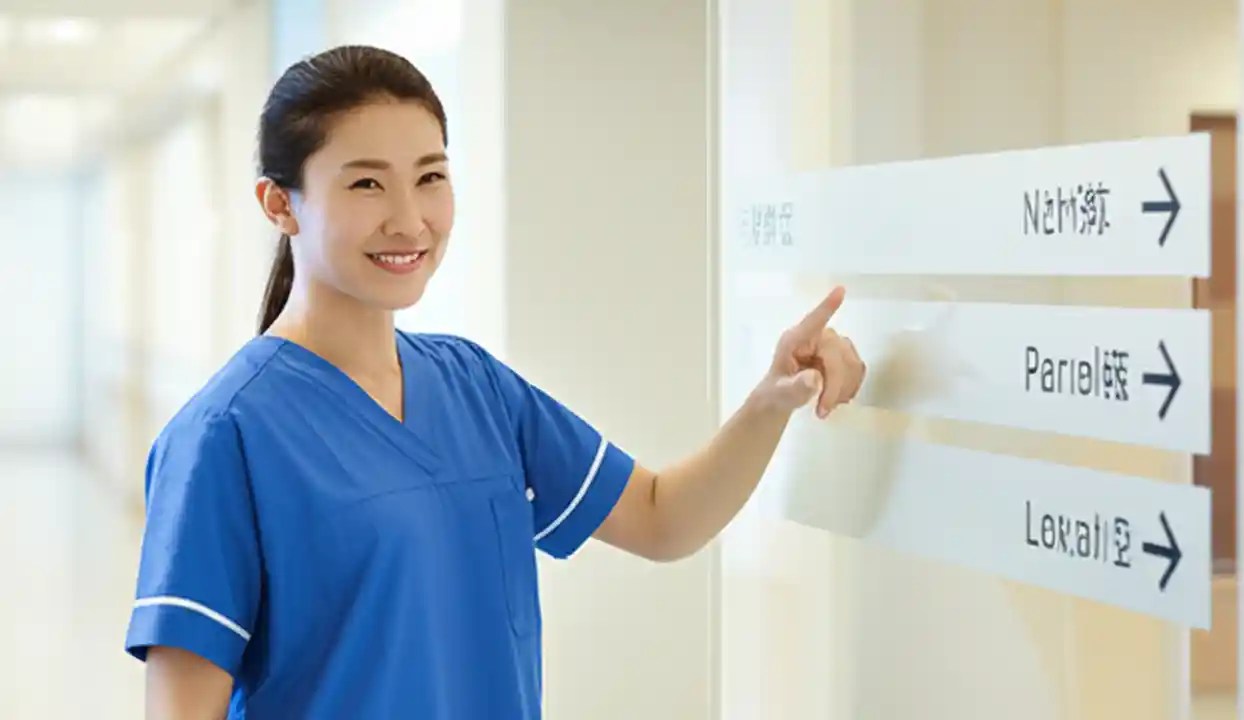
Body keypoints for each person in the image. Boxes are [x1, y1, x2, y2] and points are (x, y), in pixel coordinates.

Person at [124, 44, 865, 719]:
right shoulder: (226, 436)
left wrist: (772, 399)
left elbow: (662, 518)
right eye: (367, 185)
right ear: (279, 204)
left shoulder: (474, 387)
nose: (409, 220)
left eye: (430, 178)